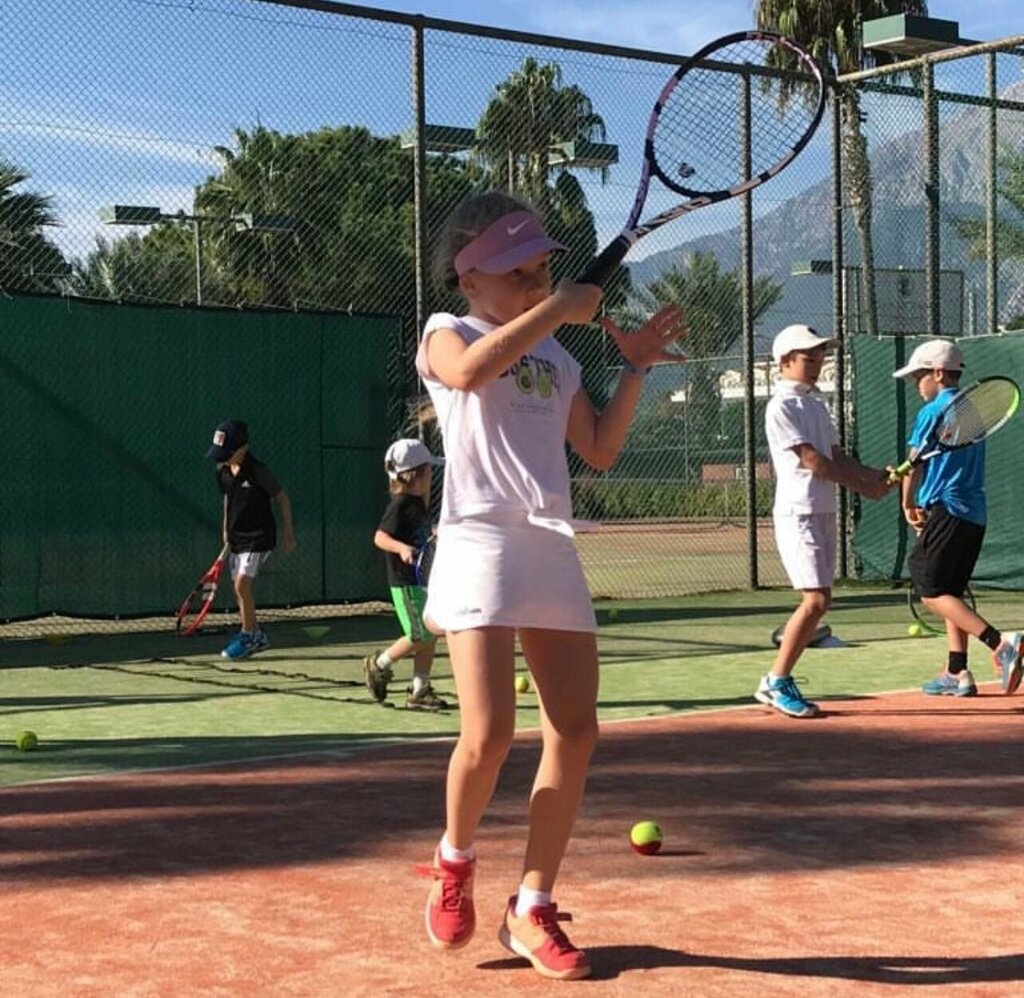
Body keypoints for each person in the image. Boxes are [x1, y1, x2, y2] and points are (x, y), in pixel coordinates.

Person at [413, 190, 686, 980]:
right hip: (481, 545)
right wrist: (559, 310)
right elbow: (467, 373)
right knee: (490, 732)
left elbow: (598, 450)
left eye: (542, 270)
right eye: (518, 272)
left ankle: (531, 907)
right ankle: (454, 860)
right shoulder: (448, 333)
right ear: (469, 279)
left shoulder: (560, 357)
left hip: (551, 546)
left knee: (576, 730)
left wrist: (631, 369)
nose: (535, 282)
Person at [761, 324, 891, 718]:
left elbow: (836, 456)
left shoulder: (816, 404)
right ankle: (776, 680)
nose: (817, 364)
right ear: (784, 363)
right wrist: (861, 487)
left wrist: (871, 475)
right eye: (808, 357)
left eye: (820, 357)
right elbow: (814, 462)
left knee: (821, 601)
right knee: (815, 600)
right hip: (798, 511)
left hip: (823, 509)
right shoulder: (781, 406)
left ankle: (778, 678)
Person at [893, 339, 1023, 697]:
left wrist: (907, 503)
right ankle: (956, 672)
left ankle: (1001, 643)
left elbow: (913, 466)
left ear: (937, 373)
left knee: (930, 589)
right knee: (950, 591)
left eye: (919, 376)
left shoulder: (932, 412)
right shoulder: (972, 412)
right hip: (972, 514)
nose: (917, 384)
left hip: (947, 509)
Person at [363, 437, 448, 711]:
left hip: (420, 582)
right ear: (415, 475)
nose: (432, 475)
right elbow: (380, 537)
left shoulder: (417, 505)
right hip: (404, 583)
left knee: (430, 632)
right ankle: (379, 664)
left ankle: (420, 690)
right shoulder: (400, 504)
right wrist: (401, 549)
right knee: (419, 635)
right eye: (428, 470)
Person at [206, 419, 295, 660]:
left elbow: (282, 497)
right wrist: (226, 528)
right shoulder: (222, 471)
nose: (223, 458)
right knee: (240, 589)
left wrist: (288, 533)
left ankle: (248, 635)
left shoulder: (257, 470)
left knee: (241, 584)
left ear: (243, 448)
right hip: (237, 537)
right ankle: (255, 634)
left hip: (259, 536)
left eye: (228, 452)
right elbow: (227, 499)